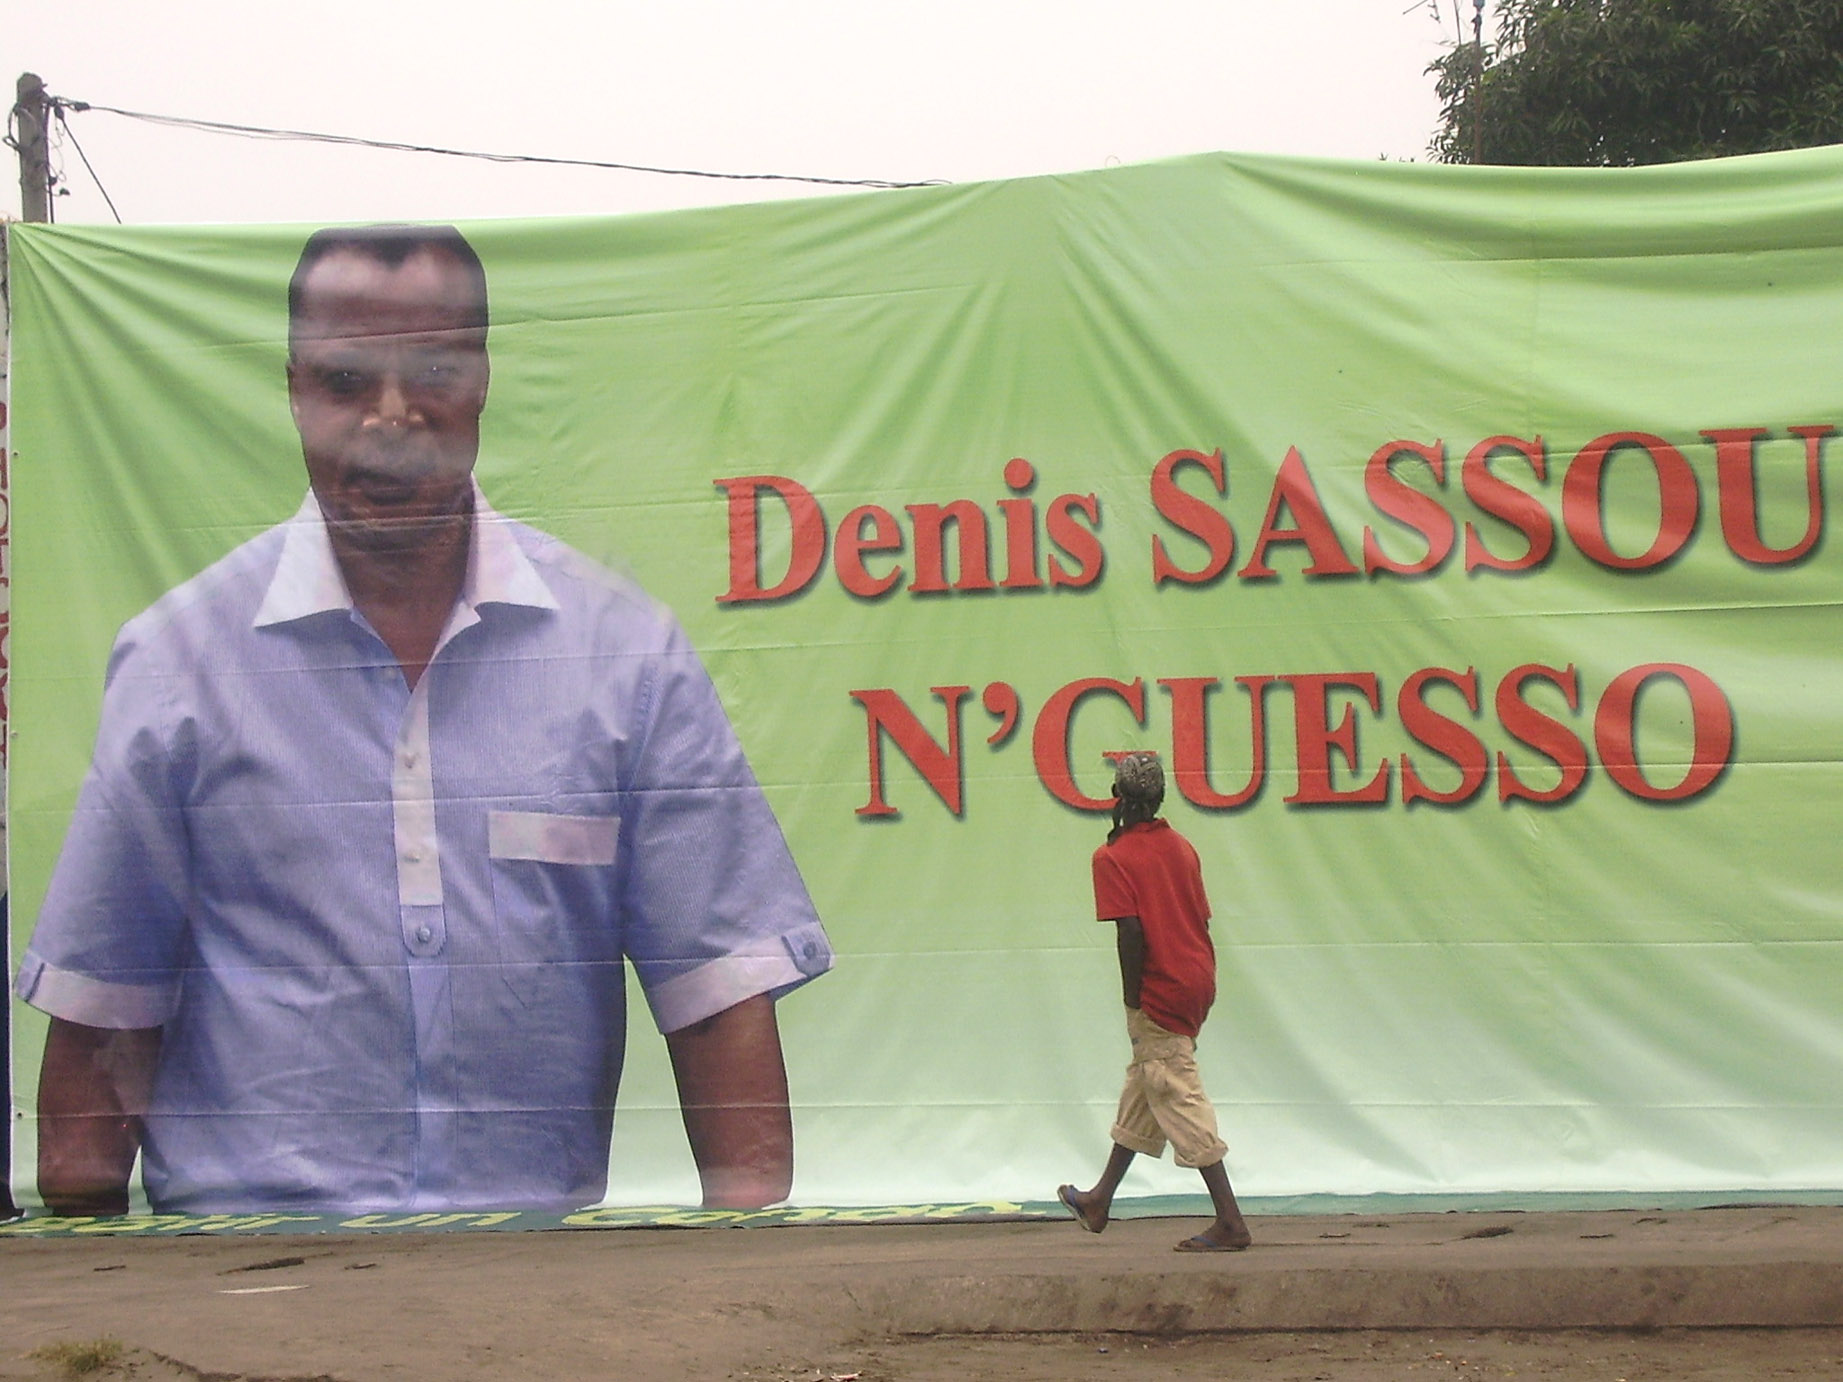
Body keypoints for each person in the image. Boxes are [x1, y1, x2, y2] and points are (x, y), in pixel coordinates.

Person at [13, 224, 832, 1216]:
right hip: (240, 1278)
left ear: (482, 380)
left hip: (540, 1284)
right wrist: (96, 1297)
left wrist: (744, 1283)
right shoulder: (178, 664)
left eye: (434, 371)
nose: (391, 416)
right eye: (345, 379)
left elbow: (718, 1001)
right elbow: (105, 1017)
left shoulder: (625, 657)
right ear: (294, 391)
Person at [1058, 751, 1253, 1252]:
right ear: (1161, 796)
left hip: (1161, 986)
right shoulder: (1182, 848)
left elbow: (1131, 933)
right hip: (1197, 977)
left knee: (1174, 1087)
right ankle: (1100, 1199)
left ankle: (1230, 1221)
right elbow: (1199, 917)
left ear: (1117, 796)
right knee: (1148, 1080)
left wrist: (1133, 1001)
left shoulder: (1112, 857)